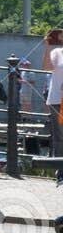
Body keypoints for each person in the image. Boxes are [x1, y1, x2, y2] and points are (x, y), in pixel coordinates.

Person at [46, 29, 63, 158]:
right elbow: (46, 67)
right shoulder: (57, 52)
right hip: (57, 99)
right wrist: (48, 45)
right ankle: (60, 171)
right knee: (59, 137)